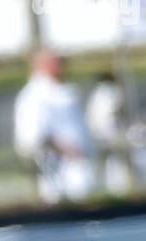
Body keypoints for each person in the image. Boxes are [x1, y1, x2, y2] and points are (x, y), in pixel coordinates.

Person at [13, 51, 96, 205]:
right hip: (58, 172)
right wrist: (68, 151)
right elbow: (34, 136)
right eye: (59, 64)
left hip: (77, 169)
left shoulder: (59, 91)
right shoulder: (34, 96)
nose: (64, 68)